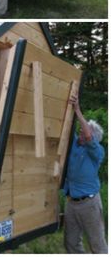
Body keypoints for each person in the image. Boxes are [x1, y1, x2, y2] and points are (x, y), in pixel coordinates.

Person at [63, 92, 108, 254]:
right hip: (71, 202)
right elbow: (67, 129)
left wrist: (77, 109)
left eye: (83, 132)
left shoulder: (97, 152)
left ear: (94, 138)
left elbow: (88, 136)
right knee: (71, 243)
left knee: (97, 245)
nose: (80, 134)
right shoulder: (75, 143)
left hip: (89, 205)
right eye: (81, 132)